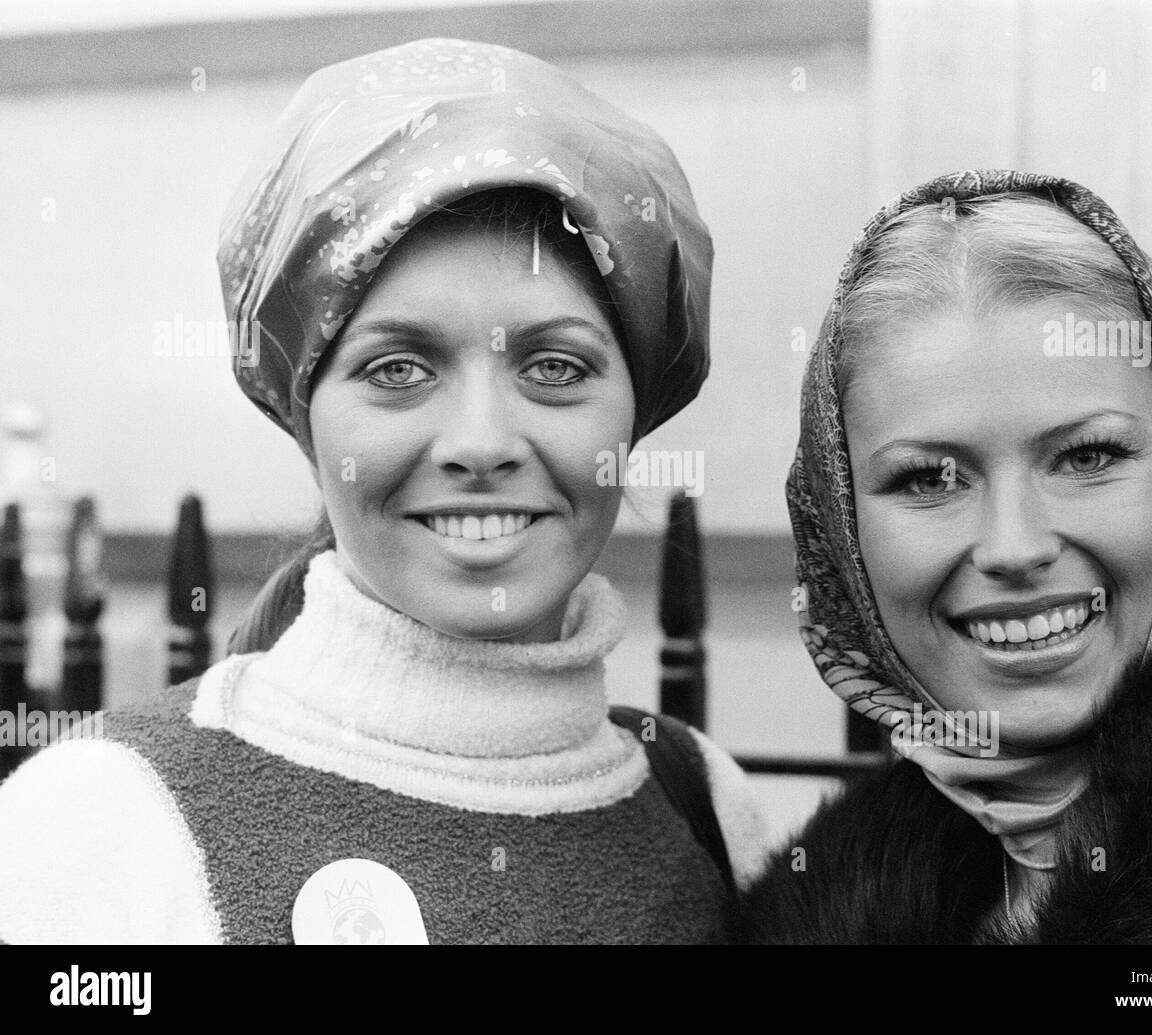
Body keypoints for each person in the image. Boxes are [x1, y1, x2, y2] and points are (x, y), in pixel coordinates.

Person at [0, 38, 766, 945]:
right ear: (305, 417)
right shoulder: (99, 820)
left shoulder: (709, 807)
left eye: (555, 365)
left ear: (634, 412)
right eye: (398, 367)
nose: (481, 442)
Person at [730, 169, 1152, 944]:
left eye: (1088, 456)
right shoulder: (812, 906)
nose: (1015, 546)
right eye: (928, 477)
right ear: (841, 533)